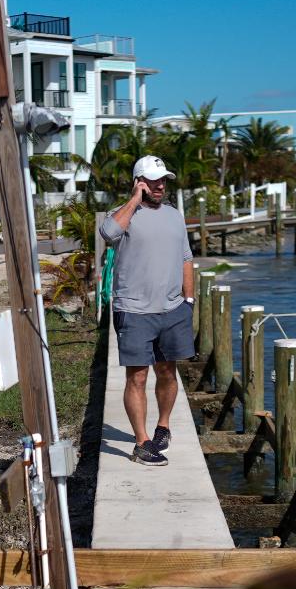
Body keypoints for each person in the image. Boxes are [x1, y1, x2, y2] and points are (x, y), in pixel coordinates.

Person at [97, 155, 196, 466]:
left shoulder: (175, 216)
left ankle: (163, 426)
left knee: (167, 372)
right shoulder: (122, 215)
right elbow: (108, 235)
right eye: (153, 180)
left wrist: (188, 301)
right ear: (139, 182)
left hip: (173, 310)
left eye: (163, 179)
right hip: (134, 311)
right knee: (137, 377)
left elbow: (186, 259)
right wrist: (134, 200)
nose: (160, 185)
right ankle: (142, 443)